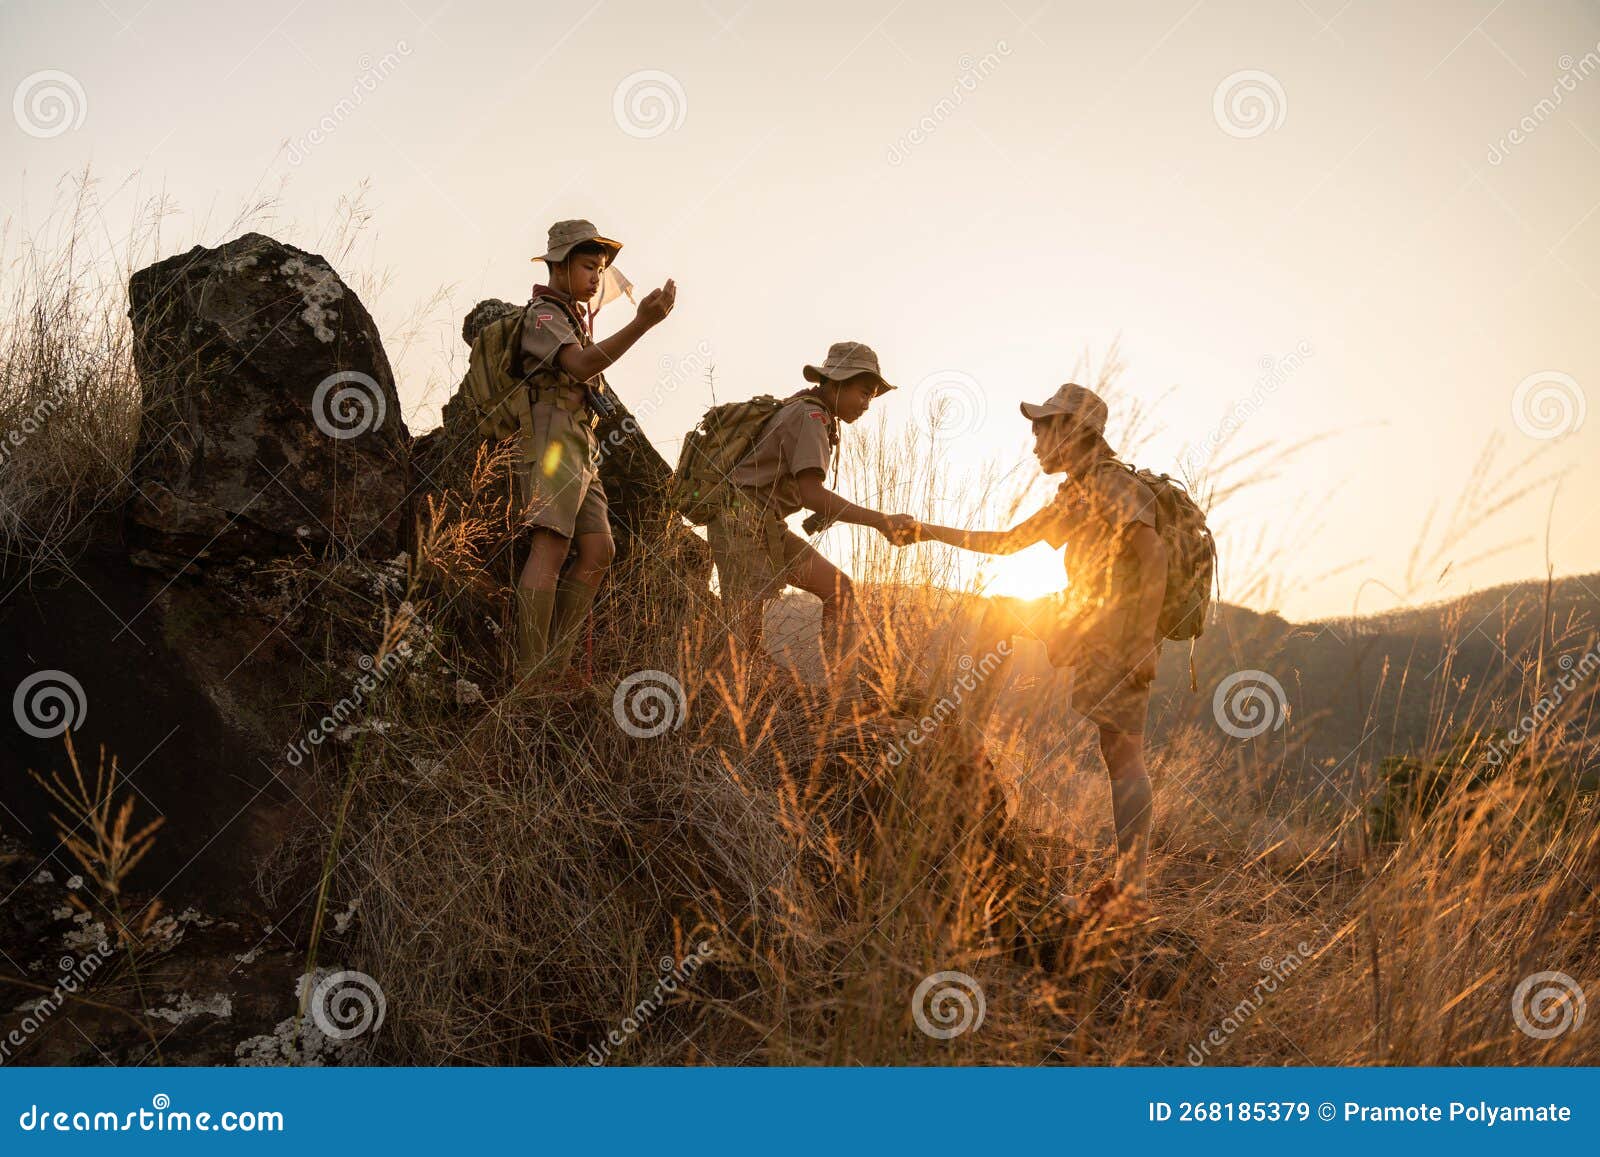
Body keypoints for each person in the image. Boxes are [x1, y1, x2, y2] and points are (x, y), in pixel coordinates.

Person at [908, 383, 1166, 907]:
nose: (1033, 444)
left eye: (1040, 429)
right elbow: (1007, 544)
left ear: (1070, 431)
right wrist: (924, 530)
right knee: (1001, 615)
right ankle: (967, 739)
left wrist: (1143, 643)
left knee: (1123, 752)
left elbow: (1154, 554)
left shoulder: (1112, 483)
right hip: (1089, 616)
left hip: (1116, 630)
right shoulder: (1080, 488)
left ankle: (1132, 892)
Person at [514, 219, 676, 685]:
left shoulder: (570, 318)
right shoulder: (543, 315)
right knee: (551, 545)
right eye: (589, 266)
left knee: (600, 549)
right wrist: (643, 322)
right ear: (559, 266)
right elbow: (580, 364)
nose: (596, 276)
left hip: (580, 439)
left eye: (600, 269)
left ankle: (555, 668)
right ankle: (530, 683)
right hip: (552, 433)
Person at [707, 341, 918, 677]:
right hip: (741, 525)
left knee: (840, 592)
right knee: (742, 643)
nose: (866, 404)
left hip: (762, 524)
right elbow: (812, 495)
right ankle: (725, 707)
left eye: (871, 397)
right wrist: (881, 521)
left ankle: (838, 693)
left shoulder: (810, 412)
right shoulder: (810, 416)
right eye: (863, 393)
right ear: (835, 383)